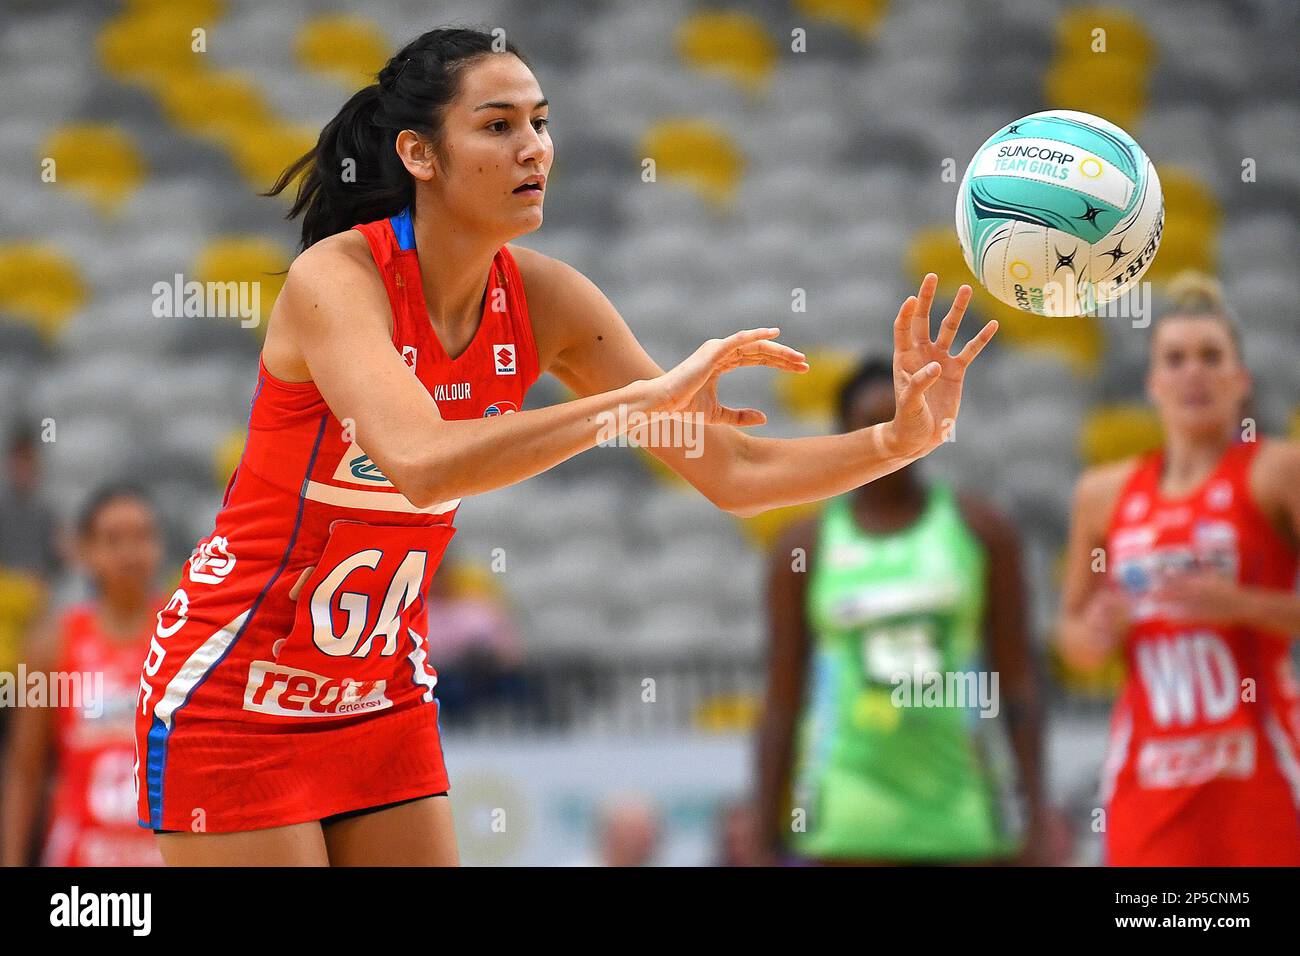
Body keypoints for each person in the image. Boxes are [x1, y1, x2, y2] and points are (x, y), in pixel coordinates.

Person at [135, 27, 998, 866]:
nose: (534, 148)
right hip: (235, 688)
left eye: (541, 123)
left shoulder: (546, 298)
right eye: (499, 126)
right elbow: (424, 463)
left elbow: (733, 473)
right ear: (419, 155)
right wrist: (628, 408)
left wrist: (897, 438)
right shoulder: (340, 278)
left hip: (377, 695)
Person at [756, 357, 1047, 865]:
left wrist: (1038, 817)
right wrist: (762, 837)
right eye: (870, 425)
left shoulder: (982, 531)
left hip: (964, 811)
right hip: (847, 814)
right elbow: (782, 700)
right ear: (841, 436)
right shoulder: (804, 548)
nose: (888, 437)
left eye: (901, 419)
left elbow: (1017, 684)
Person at [1057, 273, 1300, 866]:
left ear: (1239, 380)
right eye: (1176, 359)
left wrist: (1241, 605)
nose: (1194, 372)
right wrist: (1094, 634)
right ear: (1153, 382)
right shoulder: (1103, 493)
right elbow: (1069, 637)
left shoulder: (1276, 471)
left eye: (1211, 357)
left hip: (1256, 763)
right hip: (1149, 770)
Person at [2, 485, 164, 867]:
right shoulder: (52, 643)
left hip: (162, 855)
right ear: (86, 551)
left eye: (142, 536)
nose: (130, 552)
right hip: (80, 862)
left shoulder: (188, 640)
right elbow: (25, 771)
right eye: (113, 539)